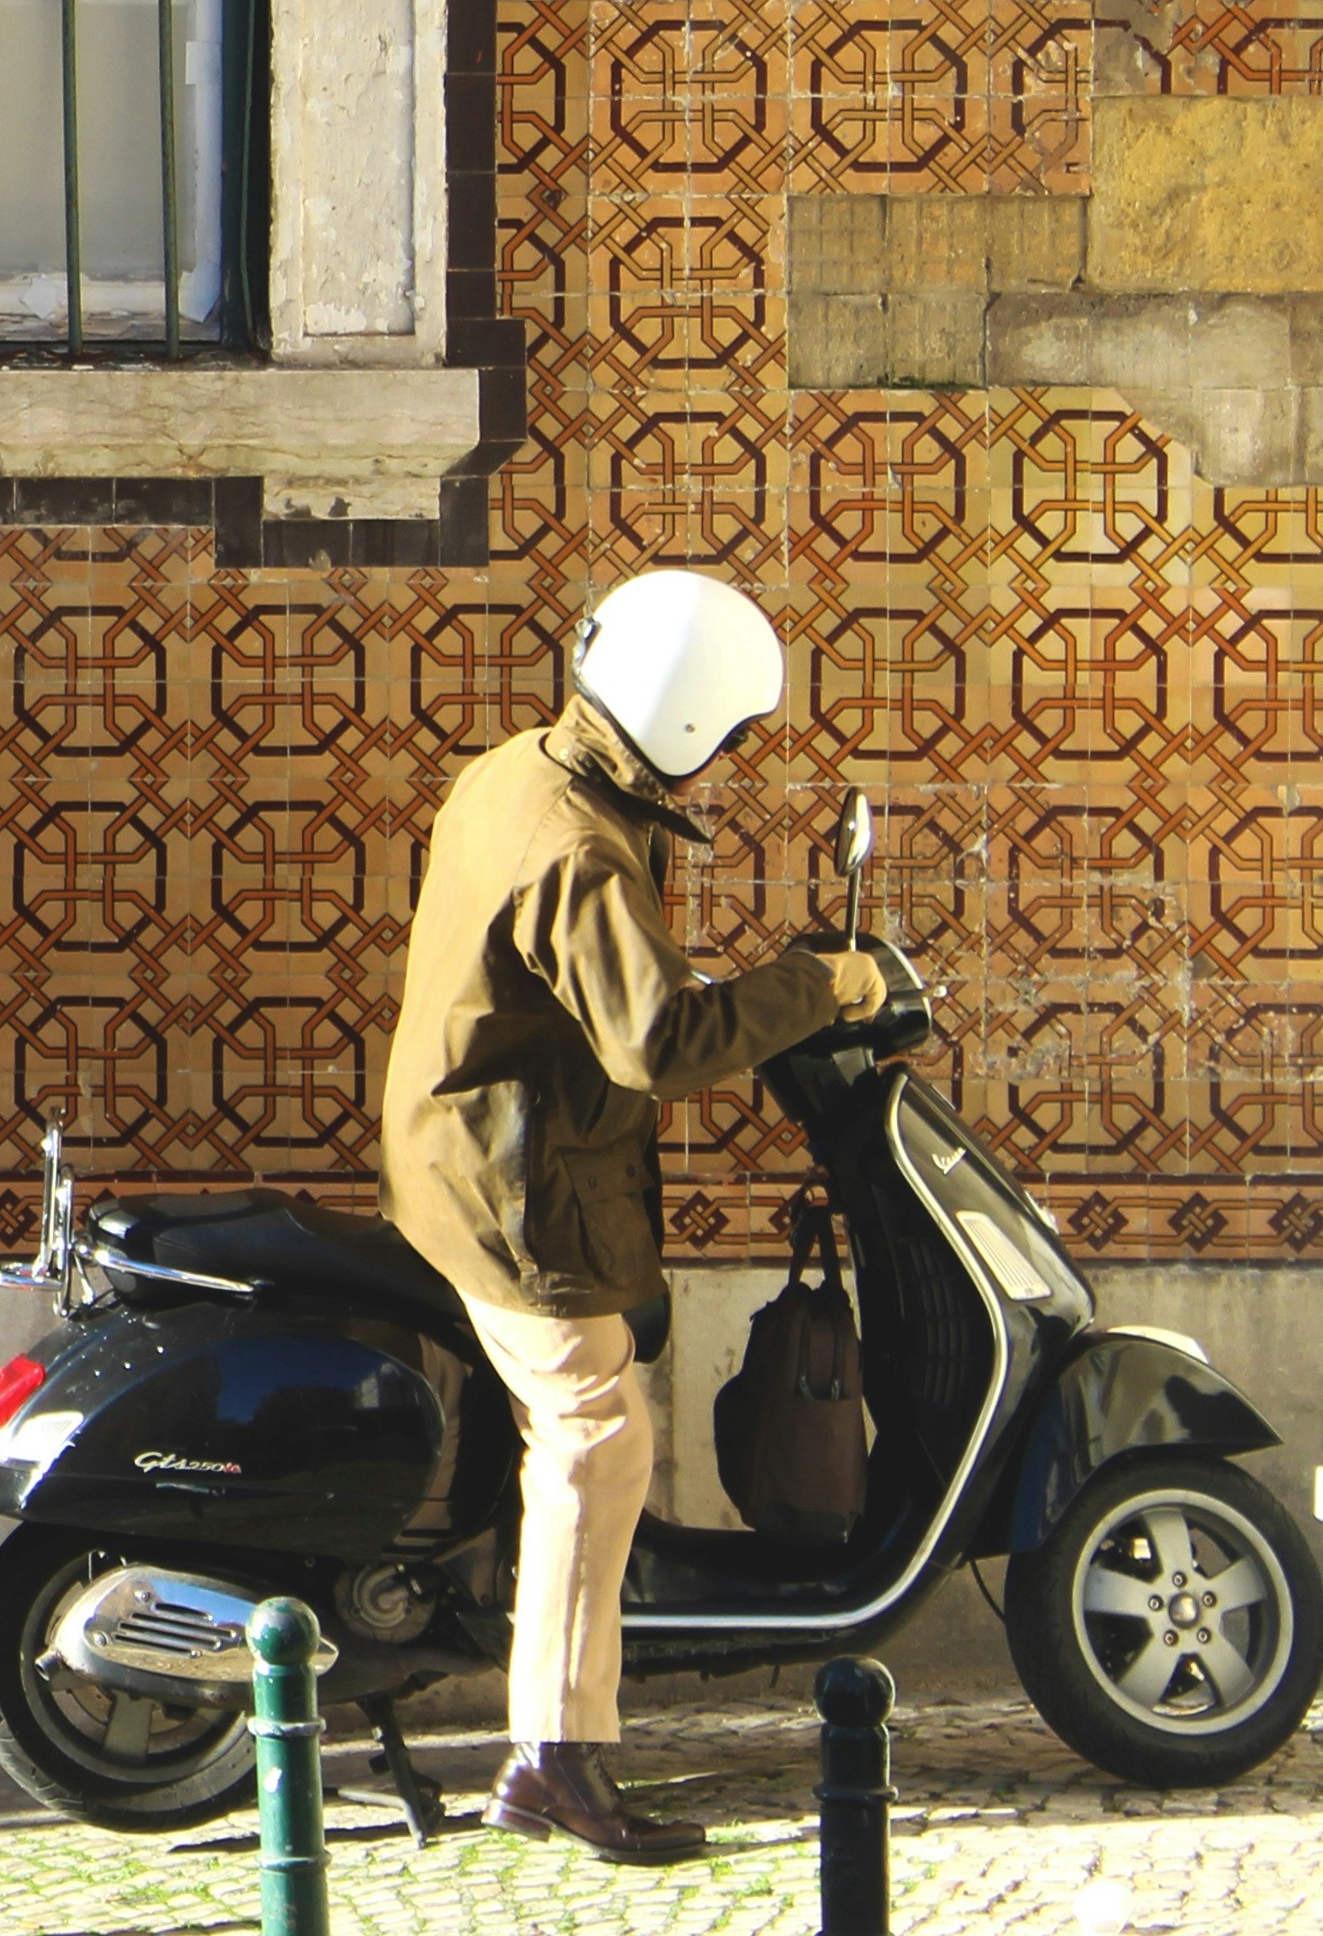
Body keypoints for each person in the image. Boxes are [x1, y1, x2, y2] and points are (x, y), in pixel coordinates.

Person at [377, 568, 893, 1864]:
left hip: (454, 1153)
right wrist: (820, 985)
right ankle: (553, 1757)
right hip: (512, 1188)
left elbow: (577, 978)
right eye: (727, 733)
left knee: (577, 1432)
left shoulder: (521, 771)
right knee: (599, 1438)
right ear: (687, 717)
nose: (725, 756)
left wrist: (711, 979)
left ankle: (553, 1720)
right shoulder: (582, 849)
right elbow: (658, 1043)